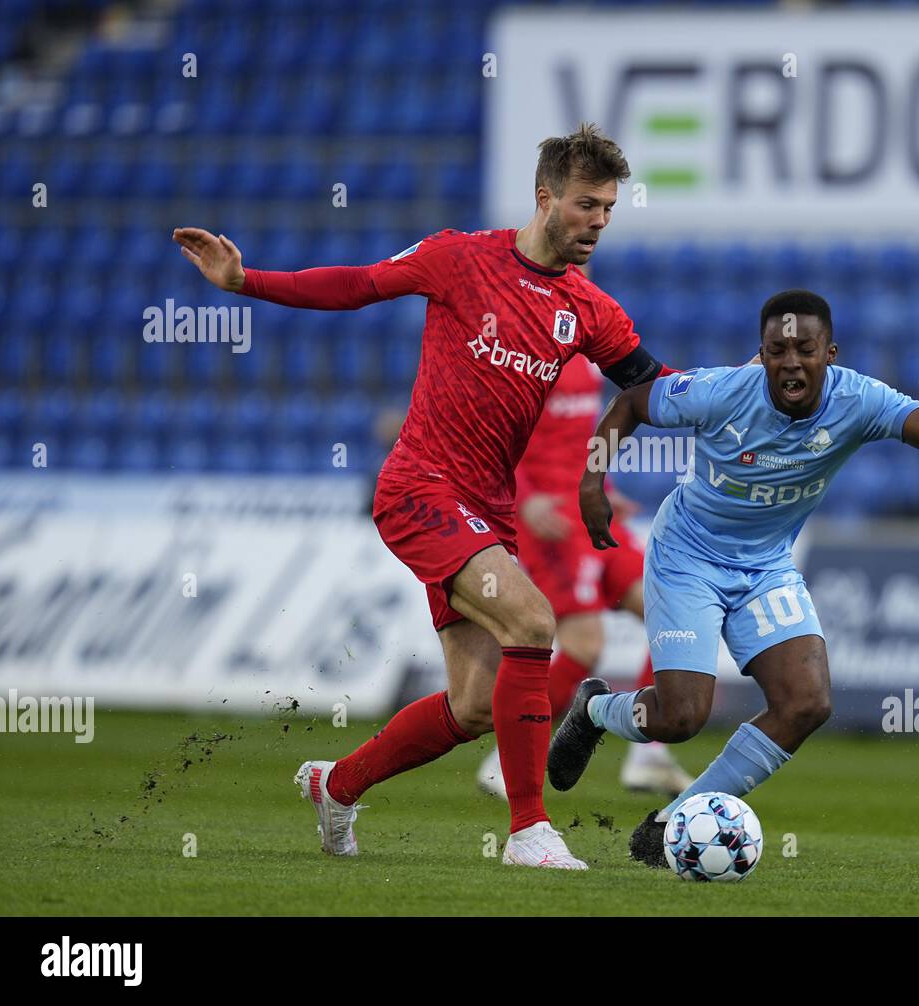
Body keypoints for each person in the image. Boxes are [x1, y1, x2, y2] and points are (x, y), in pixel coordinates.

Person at [173, 124, 684, 870]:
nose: (600, 221)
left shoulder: (588, 308)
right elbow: (358, 284)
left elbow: (655, 385)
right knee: (534, 619)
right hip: (419, 489)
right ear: (544, 199)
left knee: (475, 705)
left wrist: (748, 414)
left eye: (609, 207)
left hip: (488, 512)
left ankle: (337, 786)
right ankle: (529, 831)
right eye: (586, 205)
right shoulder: (460, 258)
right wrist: (248, 283)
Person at [546, 289, 919, 866]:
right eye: (777, 349)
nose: (791, 361)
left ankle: (674, 821)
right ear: (763, 353)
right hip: (688, 558)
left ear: (831, 352)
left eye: (805, 349)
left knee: (806, 703)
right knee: (681, 718)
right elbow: (630, 404)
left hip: (765, 567)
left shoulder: (859, 399)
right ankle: (594, 710)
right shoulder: (721, 391)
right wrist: (593, 482)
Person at [476, 353, 692, 800]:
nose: (582, 278)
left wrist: (606, 491)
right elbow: (497, 437)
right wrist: (526, 499)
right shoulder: (525, 353)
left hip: (590, 510)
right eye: (577, 274)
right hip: (550, 518)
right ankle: (506, 757)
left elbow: (579, 442)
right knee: (583, 644)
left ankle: (649, 753)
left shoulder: (587, 352)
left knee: (674, 614)